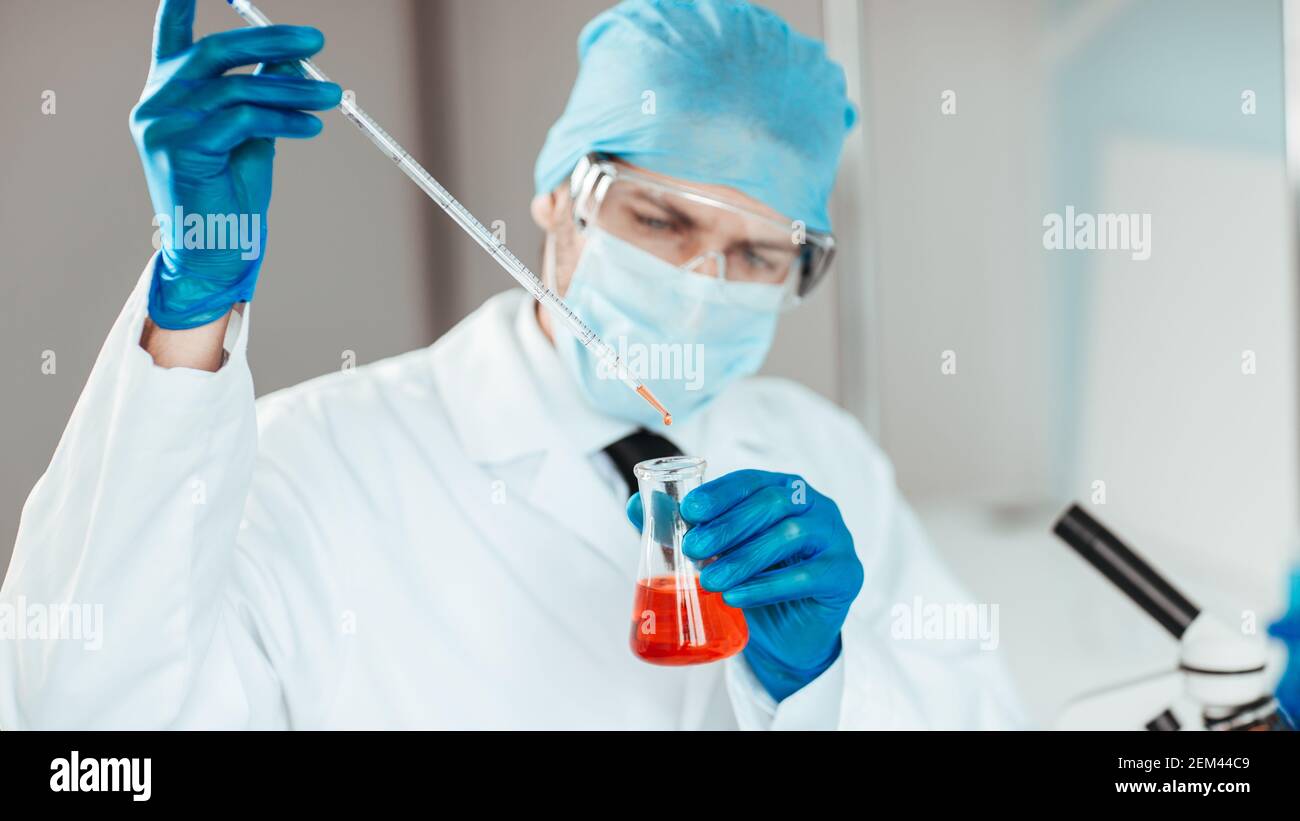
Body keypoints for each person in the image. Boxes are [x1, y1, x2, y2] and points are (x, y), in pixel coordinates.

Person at [0, 0, 1022, 729]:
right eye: (660, 218)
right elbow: (88, 723)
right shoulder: (315, 459)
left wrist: (821, 682)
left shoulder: (817, 452)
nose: (703, 283)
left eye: (757, 253)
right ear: (555, 198)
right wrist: (191, 312)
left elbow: (985, 716)